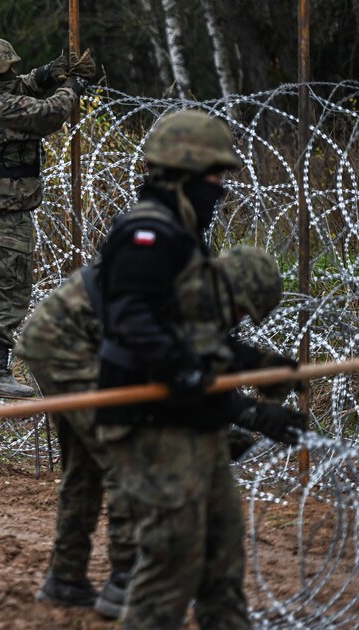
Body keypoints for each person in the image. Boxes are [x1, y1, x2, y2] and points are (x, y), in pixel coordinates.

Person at [95, 109, 306, 629]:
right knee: (167, 573)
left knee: (221, 564)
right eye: (215, 177)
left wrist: (256, 366)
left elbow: (194, 336)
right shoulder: (149, 233)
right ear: (184, 173)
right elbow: (133, 318)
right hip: (157, 426)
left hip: (195, 423)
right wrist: (192, 377)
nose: (220, 188)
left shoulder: (184, 237)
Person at [17, 245, 294, 619]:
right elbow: (179, 373)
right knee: (123, 455)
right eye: (243, 308)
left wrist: (261, 364)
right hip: (67, 346)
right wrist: (251, 415)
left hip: (70, 340)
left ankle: (66, 578)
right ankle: (126, 581)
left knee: (85, 466)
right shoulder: (180, 287)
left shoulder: (196, 286)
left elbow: (202, 354)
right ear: (232, 287)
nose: (239, 317)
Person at [0, 38, 96, 397]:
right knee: (11, 286)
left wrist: (50, 72)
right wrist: (74, 86)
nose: (16, 71)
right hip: (7, 205)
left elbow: (23, 86)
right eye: (10, 66)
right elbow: (47, 114)